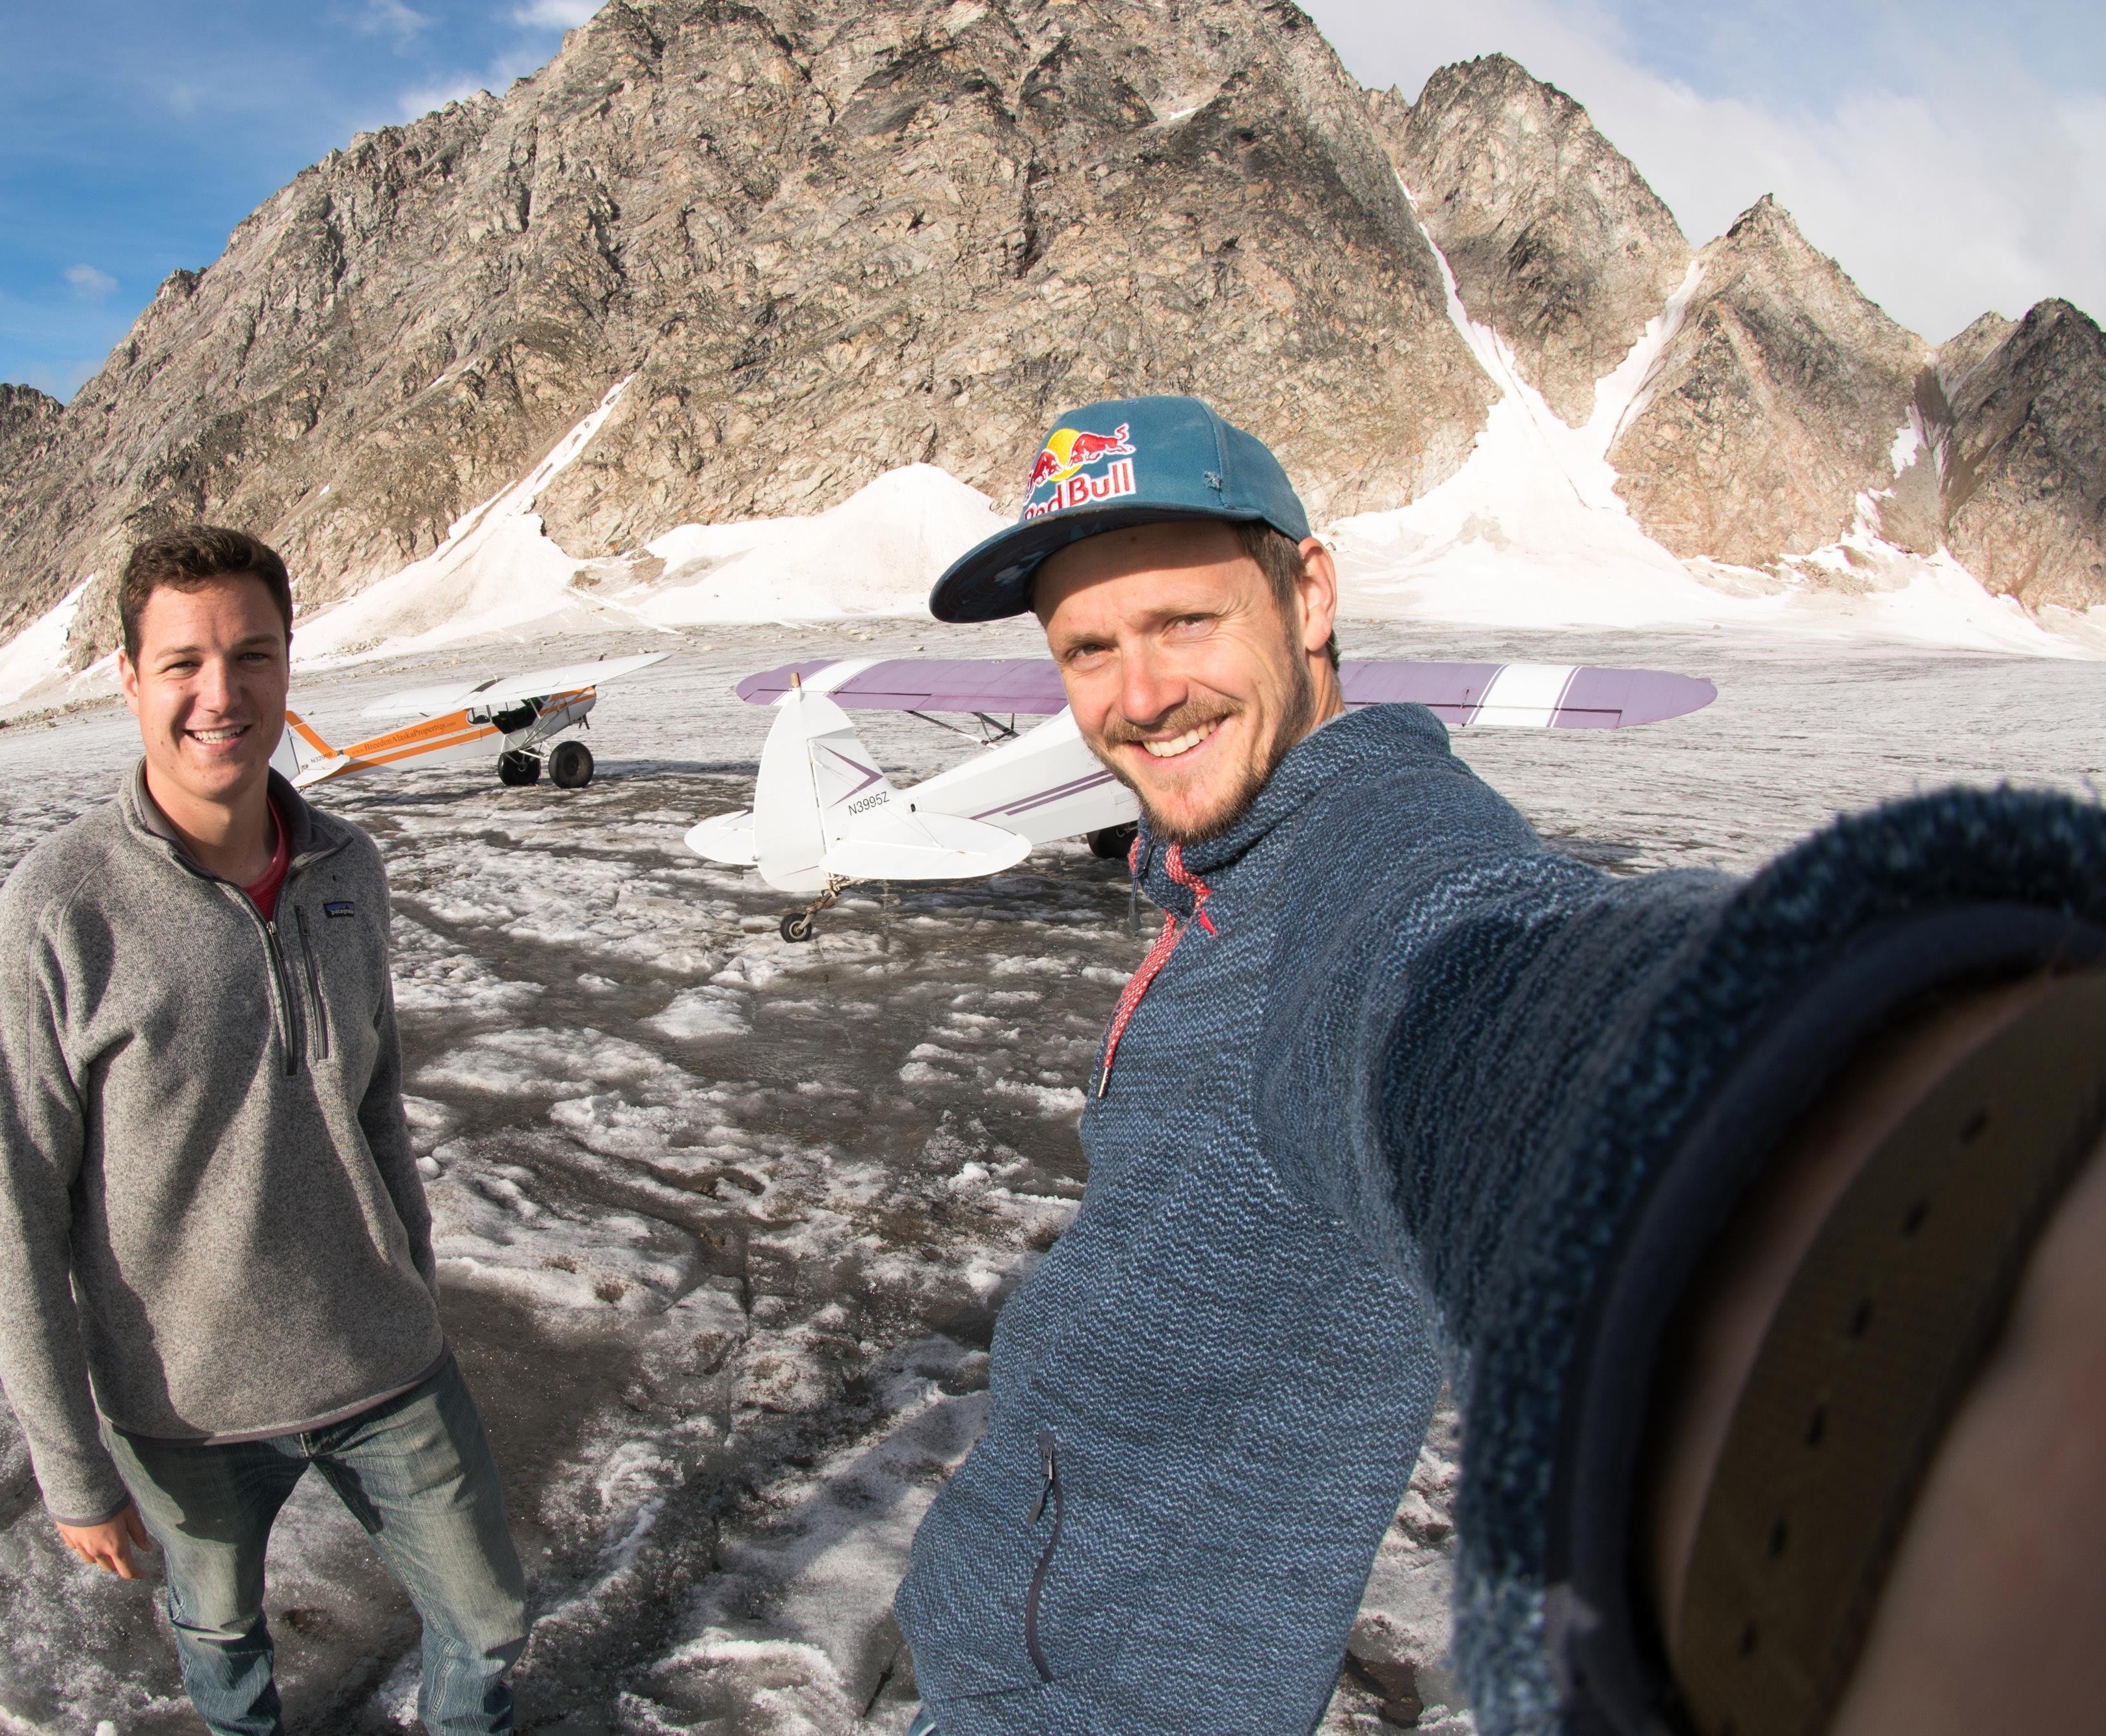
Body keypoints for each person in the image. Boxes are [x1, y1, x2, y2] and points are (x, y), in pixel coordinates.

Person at [890, 395, 2106, 1735]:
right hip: (1000, 1654)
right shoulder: (1223, 870)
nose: (1137, 696)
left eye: (1184, 621)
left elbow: (1467, 974)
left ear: (1306, 595)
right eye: (1087, 648)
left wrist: (1836, 1091)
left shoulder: (1361, 867)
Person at [0, 526, 528, 1736]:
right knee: (224, 1655)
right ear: (129, 680)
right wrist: (72, 1466)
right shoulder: (59, 912)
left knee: (486, 1622)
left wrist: (412, 1277)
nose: (221, 695)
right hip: (186, 1401)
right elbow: (9, 1205)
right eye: (183, 663)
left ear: (286, 667)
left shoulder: (346, 865)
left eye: (252, 656)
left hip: (382, 1355)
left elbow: (374, 1102)